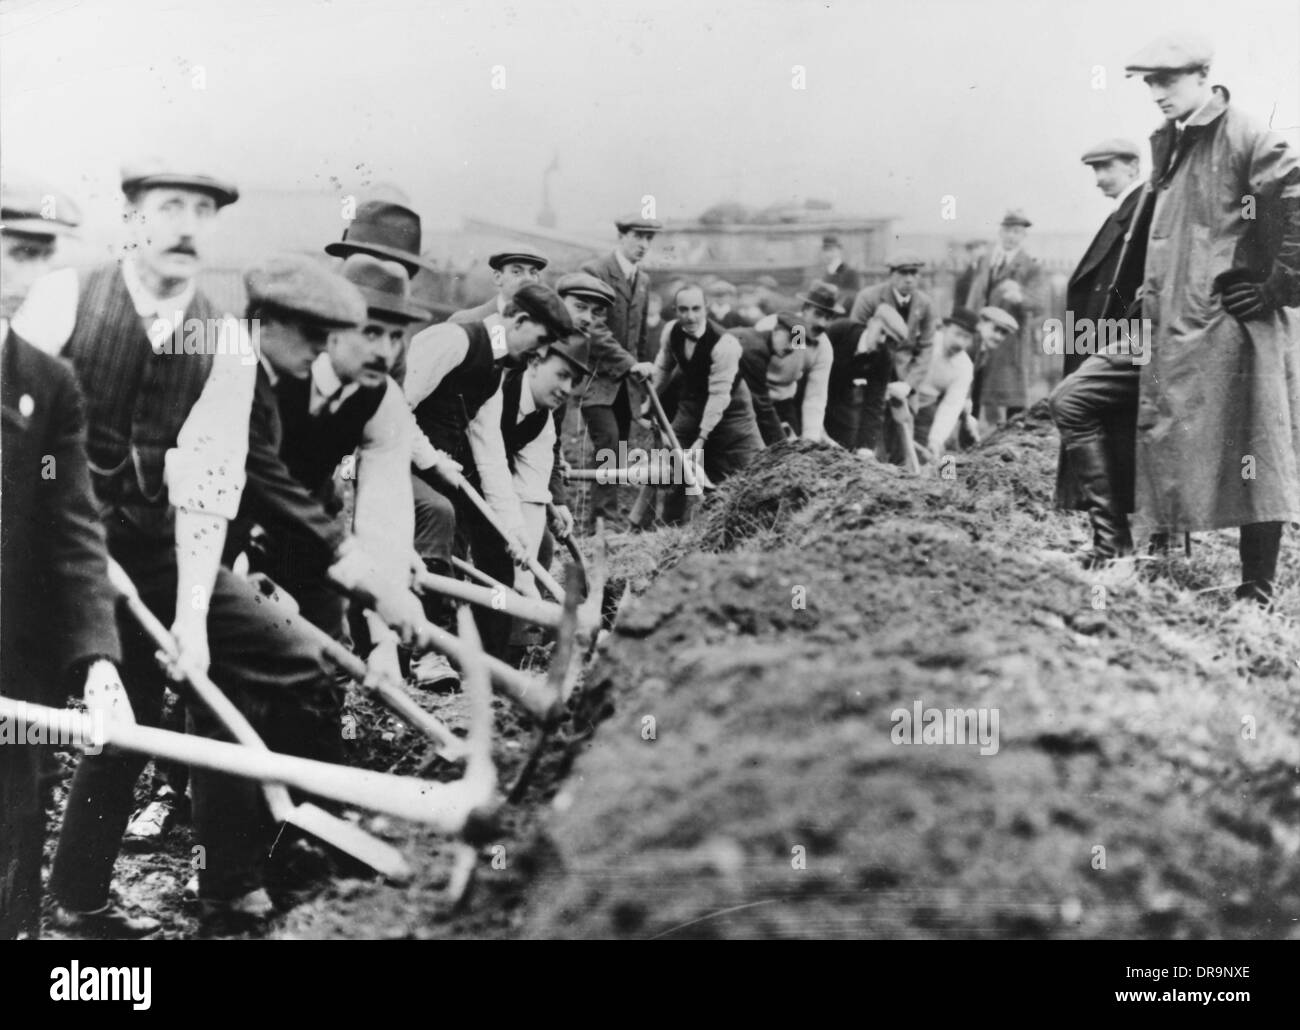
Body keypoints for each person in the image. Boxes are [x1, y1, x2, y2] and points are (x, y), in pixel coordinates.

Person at [0, 183, 133, 939]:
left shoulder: (47, 386)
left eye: (42, 258)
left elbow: (73, 528)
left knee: (16, 824)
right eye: (19, 253)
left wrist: (98, 659)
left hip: (15, 665)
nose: (30, 277)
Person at [1124, 33, 1300, 602]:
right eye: (1148, 81)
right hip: (1177, 324)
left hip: (1233, 327)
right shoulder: (1171, 142)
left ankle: (1258, 589)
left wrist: (1279, 284)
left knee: (1257, 451)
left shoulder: (1247, 134)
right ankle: (1158, 565)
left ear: (1202, 75)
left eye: (1166, 79)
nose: (1156, 92)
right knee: (1165, 435)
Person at [404, 281, 574, 657]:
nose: (541, 354)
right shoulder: (451, 340)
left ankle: (491, 659)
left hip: (442, 473)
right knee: (439, 512)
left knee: (498, 544)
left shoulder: (494, 374)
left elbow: (490, 454)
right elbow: (393, 409)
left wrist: (513, 529)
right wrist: (431, 460)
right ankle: (429, 652)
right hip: (394, 460)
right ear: (520, 321)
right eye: (542, 340)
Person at [1048, 139, 1149, 537]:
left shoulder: (1142, 210)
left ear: (1133, 166)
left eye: (1106, 168)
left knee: (1115, 438)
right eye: (1094, 170)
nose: (1098, 179)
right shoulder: (1126, 213)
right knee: (1109, 437)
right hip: (1103, 342)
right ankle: (1109, 541)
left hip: (1119, 345)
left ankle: (1113, 545)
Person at [648, 284, 763, 524]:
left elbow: (720, 395)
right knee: (673, 459)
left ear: (706, 309)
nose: (690, 316)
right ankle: (665, 526)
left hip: (732, 407)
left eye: (696, 309)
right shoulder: (671, 331)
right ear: (675, 310)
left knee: (751, 466)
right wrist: (649, 402)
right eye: (683, 310)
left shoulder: (725, 343)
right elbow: (663, 366)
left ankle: (752, 522)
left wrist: (702, 437)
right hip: (693, 400)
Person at [576, 215, 662, 528]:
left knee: (620, 448)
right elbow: (593, 329)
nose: (643, 245)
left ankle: (602, 518)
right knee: (608, 441)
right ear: (621, 236)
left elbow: (639, 339)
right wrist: (629, 363)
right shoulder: (595, 272)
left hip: (625, 386)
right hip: (595, 380)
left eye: (649, 239)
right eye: (637, 236)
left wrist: (640, 374)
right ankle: (602, 519)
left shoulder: (643, 280)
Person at [962, 210, 1045, 424]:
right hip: (982, 333)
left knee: (1011, 395)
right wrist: (971, 324)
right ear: (1000, 231)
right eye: (1008, 230)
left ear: (1023, 236)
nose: (1011, 236)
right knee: (975, 386)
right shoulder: (987, 260)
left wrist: (1020, 297)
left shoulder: (1031, 265)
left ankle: (1011, 441)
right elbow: (975, 294)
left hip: (1010, 340)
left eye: (1017, 232)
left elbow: (1039, 303)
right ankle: (970, 437)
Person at [735, 311, 832, 445]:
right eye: (790, 339)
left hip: (731, 400)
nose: (791, 348)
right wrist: (783, 445)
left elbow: (814, 396)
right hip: (710, 398)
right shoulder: (755, 350)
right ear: (776, 330)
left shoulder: (797, 339)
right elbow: (761, 402)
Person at [849, 255, 937, 362]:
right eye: (903, 273)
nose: (909, 279)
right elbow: (854, 336)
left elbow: (926, 347)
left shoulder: (925, 303)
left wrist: (913, 378)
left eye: (913, 273)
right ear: (891, 275)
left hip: (908, 369)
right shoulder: (868, 297)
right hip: (873, 363)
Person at [450, 245, 548, 323]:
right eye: (517, 272)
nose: (528, 279)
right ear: (498, 278)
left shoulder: (544, 327)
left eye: (533, 273)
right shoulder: (465, 321)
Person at [819, 235, 862, 310]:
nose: (828, 254)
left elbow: (855, 295)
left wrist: (836, 292)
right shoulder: (827, 272)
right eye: (826, 250)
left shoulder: (850, 272)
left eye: (832, 250)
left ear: (839, 251)